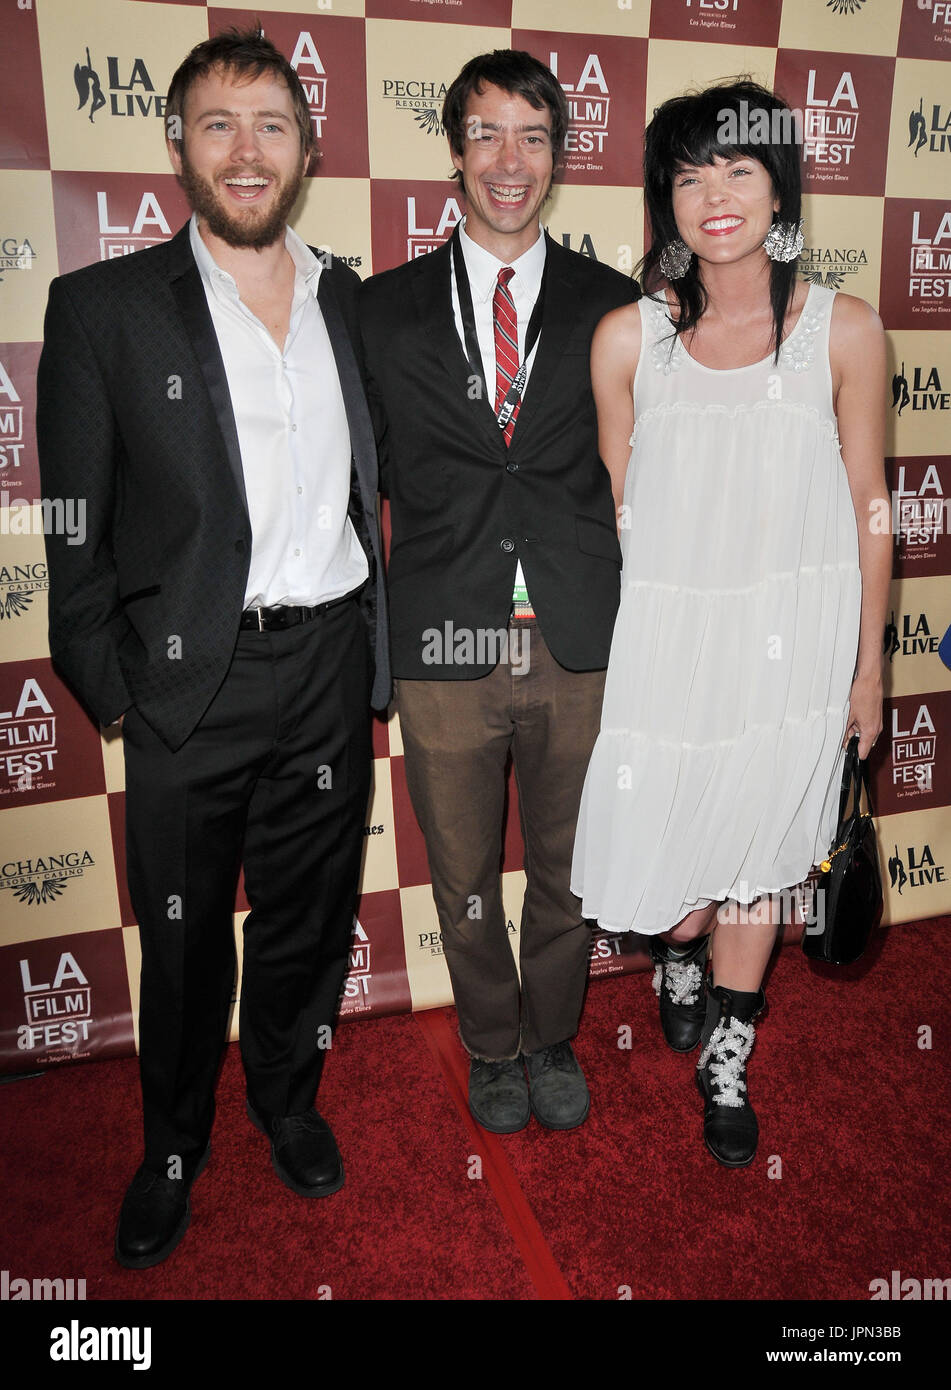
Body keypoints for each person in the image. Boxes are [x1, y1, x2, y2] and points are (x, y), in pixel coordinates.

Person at [37, 27, 389, 1267]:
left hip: (331, 667)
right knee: (183, 940)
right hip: (192, 682)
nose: (248, 152)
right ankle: (171, 1151)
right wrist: (115, 684)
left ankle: (288, 1104)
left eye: (273, 126)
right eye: (219, 125)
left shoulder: (352, 297)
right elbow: (69, 524)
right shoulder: (101, 308)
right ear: (176, 145)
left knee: (307, 919)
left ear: (308, 149)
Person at [571, 80, 889, 1167]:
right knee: (679, 898)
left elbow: (871, 511)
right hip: (669, 648)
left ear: (780, 187)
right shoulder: (628, 340)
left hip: (793, 647)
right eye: (690, 172)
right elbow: (618, 514)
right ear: (664, 194)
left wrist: (866, 671)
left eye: (739, 169)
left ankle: (729, 1057)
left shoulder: (843, 330)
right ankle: (676, 956)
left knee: (759, 863)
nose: (715, 194)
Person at [360, 50, 638, 1135]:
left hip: (581, 638)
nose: (508, 159)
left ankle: (554, 1033)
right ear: (454, 155)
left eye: (531, 134)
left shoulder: (618, 307)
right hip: (444, 641)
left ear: (559, 157)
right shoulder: (380, 312)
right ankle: (490, 1043)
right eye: (485, 134)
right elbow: (351, 481)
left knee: (571, 869)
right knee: (466, 876)